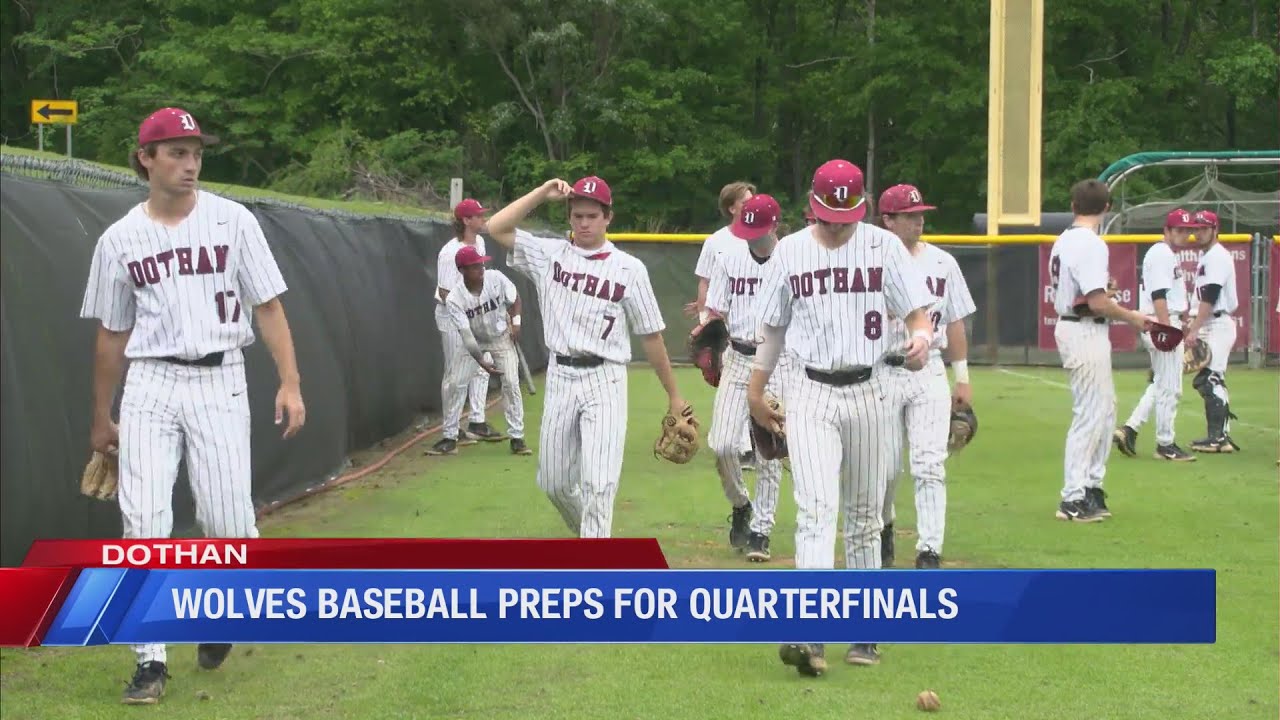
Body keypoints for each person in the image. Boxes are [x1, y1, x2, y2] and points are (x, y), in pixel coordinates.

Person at [79, 107, 305, 704]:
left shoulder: (234, 221)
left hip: (220, 378)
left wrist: (290, 381)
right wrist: (102, 417)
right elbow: (111, 334)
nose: (191, 162)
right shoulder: (119, 239)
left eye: (196, 151)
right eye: (176, 151)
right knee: (144, 521)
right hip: (150, 383)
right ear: (145, 159)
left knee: (228, 521)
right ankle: (149, 661)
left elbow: (269, 306)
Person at [747, 159, 936, 675]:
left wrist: (921, 338)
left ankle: (864, 627)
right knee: (814, 509)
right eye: (827, 216)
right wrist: (755, 389)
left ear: (862, 206)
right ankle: (809, 632)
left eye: (844, 216)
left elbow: (919, 314)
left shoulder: (884, 247)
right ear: (813, 207)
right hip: (809, 392)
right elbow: (773, 330)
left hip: (873, 389)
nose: (835, 225)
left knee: (864, 516)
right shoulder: (789, 252)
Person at [486, 176, 692, 538]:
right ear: (569, 216)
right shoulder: (549, 254)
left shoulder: (630, 269)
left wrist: (674, 395)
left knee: (599, 485)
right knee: (553, 483)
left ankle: (595, 568)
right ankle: (594, 543)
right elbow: (496, 226)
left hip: (606, 379)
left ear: (608, 217)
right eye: (578, 215)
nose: (584, 223)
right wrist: (542, 193)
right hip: (561, 375)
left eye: (592, 216)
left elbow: (652, 335)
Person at [875, 184, 977, 570]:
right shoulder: (870, 262)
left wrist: (962, 377)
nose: (919, 221)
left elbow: (955, 322)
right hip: (882, 369)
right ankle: (883, 527)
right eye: (910, 215)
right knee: (883, 465)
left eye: (921, 214)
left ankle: (929, 549)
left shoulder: (942, 262)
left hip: (929, 370)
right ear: (888, 220)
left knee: (930, 463)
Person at [1047, 179, 1152, 523]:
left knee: (1105, 411)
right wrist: (1133, 317)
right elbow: (1096, 302)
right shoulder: (1091, 244)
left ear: (1073, 205)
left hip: (1077, 325)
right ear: (1107, 208)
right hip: (1082, 331)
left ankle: (1091, 486)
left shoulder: (1064, 239)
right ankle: (1072, 498)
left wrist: (1104, 295)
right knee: (1090, 414)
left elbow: (1088, 296)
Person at [702, 193, 788, 562]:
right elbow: (717, 311)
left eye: (757, 229)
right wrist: (707, 338)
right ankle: (741, 504)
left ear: (775, 226)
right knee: (722, 444)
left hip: (780, 363)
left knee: (769, 450)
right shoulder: (730, 258)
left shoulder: (793, 261)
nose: (749, 235)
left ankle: (762, 531)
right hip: (737, 357)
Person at [1112, 209, 1200, 462]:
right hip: (1161, 322)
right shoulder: (1161, 253)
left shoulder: (1164, 254)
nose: (1185, 234)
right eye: (1180, 230)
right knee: (1170, 388)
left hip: (1165, 320)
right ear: (1167, 230)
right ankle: (1165, 444)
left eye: (1188, 230)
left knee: (1161, 383)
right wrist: (1167, 328)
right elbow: (1159, 294)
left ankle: (1129, 429)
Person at [426, 246, 531, 456]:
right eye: (474, 266)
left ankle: (517, 438)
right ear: (462, 270)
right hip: (473, 342)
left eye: (481, 263)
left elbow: (515, 298)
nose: (480, 267)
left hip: (500, 338)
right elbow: (466, 335)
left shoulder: (496, 278)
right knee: (454, 383)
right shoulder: (455, 297)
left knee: (510, 382)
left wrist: (517, 323)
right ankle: (449, 436)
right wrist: (482, 362)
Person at [688, 181, 758, 470]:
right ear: (732, 207)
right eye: (746, 200)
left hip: (752, 320)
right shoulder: (717, 241)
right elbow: (704, 279)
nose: (751, 204)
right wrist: (705, 316)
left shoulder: (762, 237)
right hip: (721, 319)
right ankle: (742, 445)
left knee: (757, 385)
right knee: (729, 380)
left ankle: (754, 441)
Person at [434, 199, 503, 444]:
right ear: (466, 220)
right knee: (456, 376)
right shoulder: (449, 252)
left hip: (476, 318)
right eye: (478, 216)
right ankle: (450, 434)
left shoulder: (481, 243)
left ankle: (477, 421)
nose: (483, 219)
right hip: (452, 319)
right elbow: (444, 292)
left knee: (482, 368)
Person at [1182, 210, 1242, 453]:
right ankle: (1219, 435)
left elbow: (1211, 295)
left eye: (1204, 228)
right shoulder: (1208, 256)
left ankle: (1218, 438)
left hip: (1217, 324)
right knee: (1208, 379)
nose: (1199, 232)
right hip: (1209, 323)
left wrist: (1194, 329)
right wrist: (1193, 320)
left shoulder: (1217, 256)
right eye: (1196, 228)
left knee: (1210, 380)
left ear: (1215, 229)